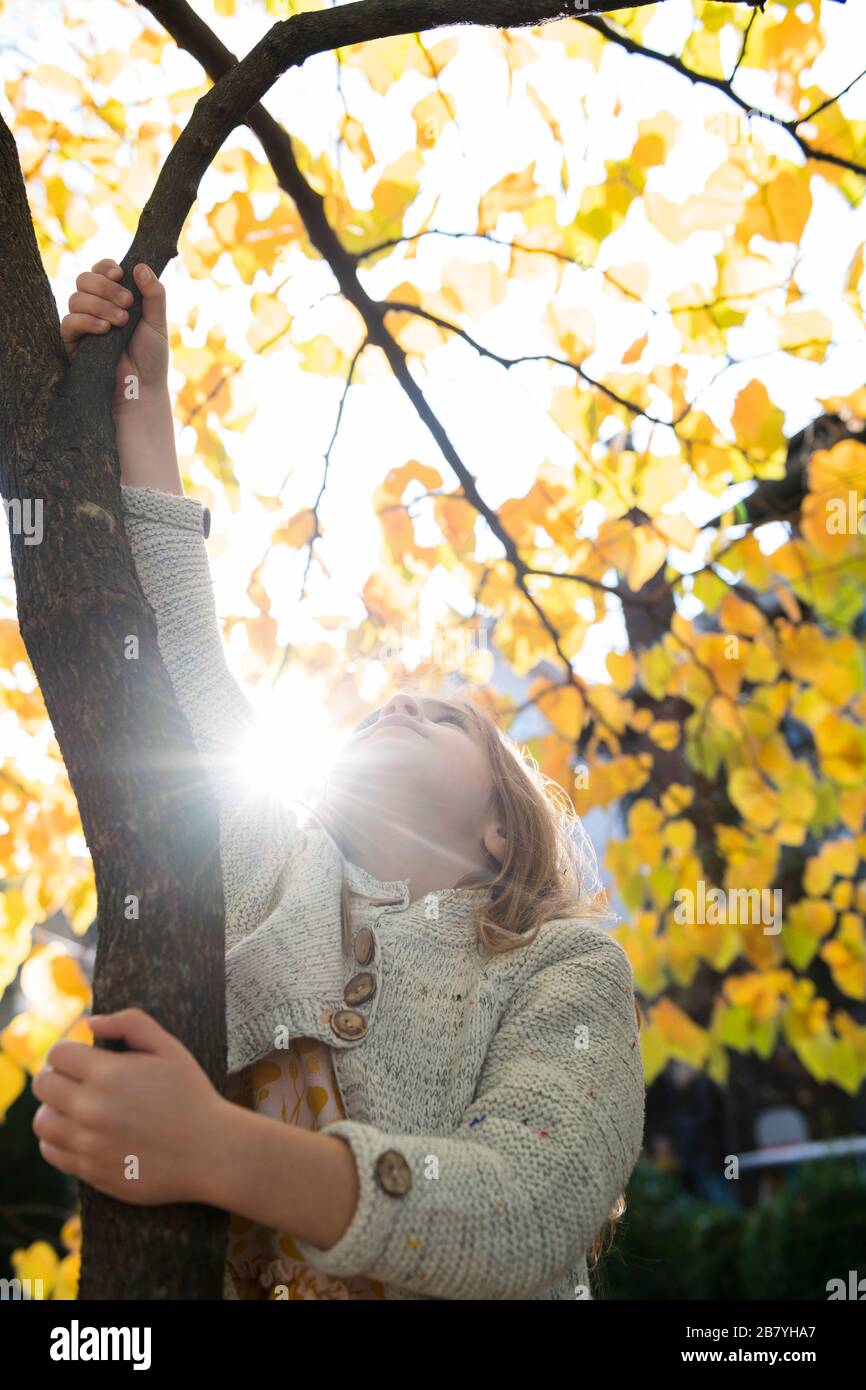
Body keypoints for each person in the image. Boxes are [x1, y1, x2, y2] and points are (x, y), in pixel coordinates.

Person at [35, 259, 646, 1301]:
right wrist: (140, 389)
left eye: (446, 717)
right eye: (382, 707)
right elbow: (181, 654)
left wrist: (211, 1148)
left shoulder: (562, 967)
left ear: (503, 831)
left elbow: (533, 1201)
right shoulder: (274, 869)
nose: (397, 702)